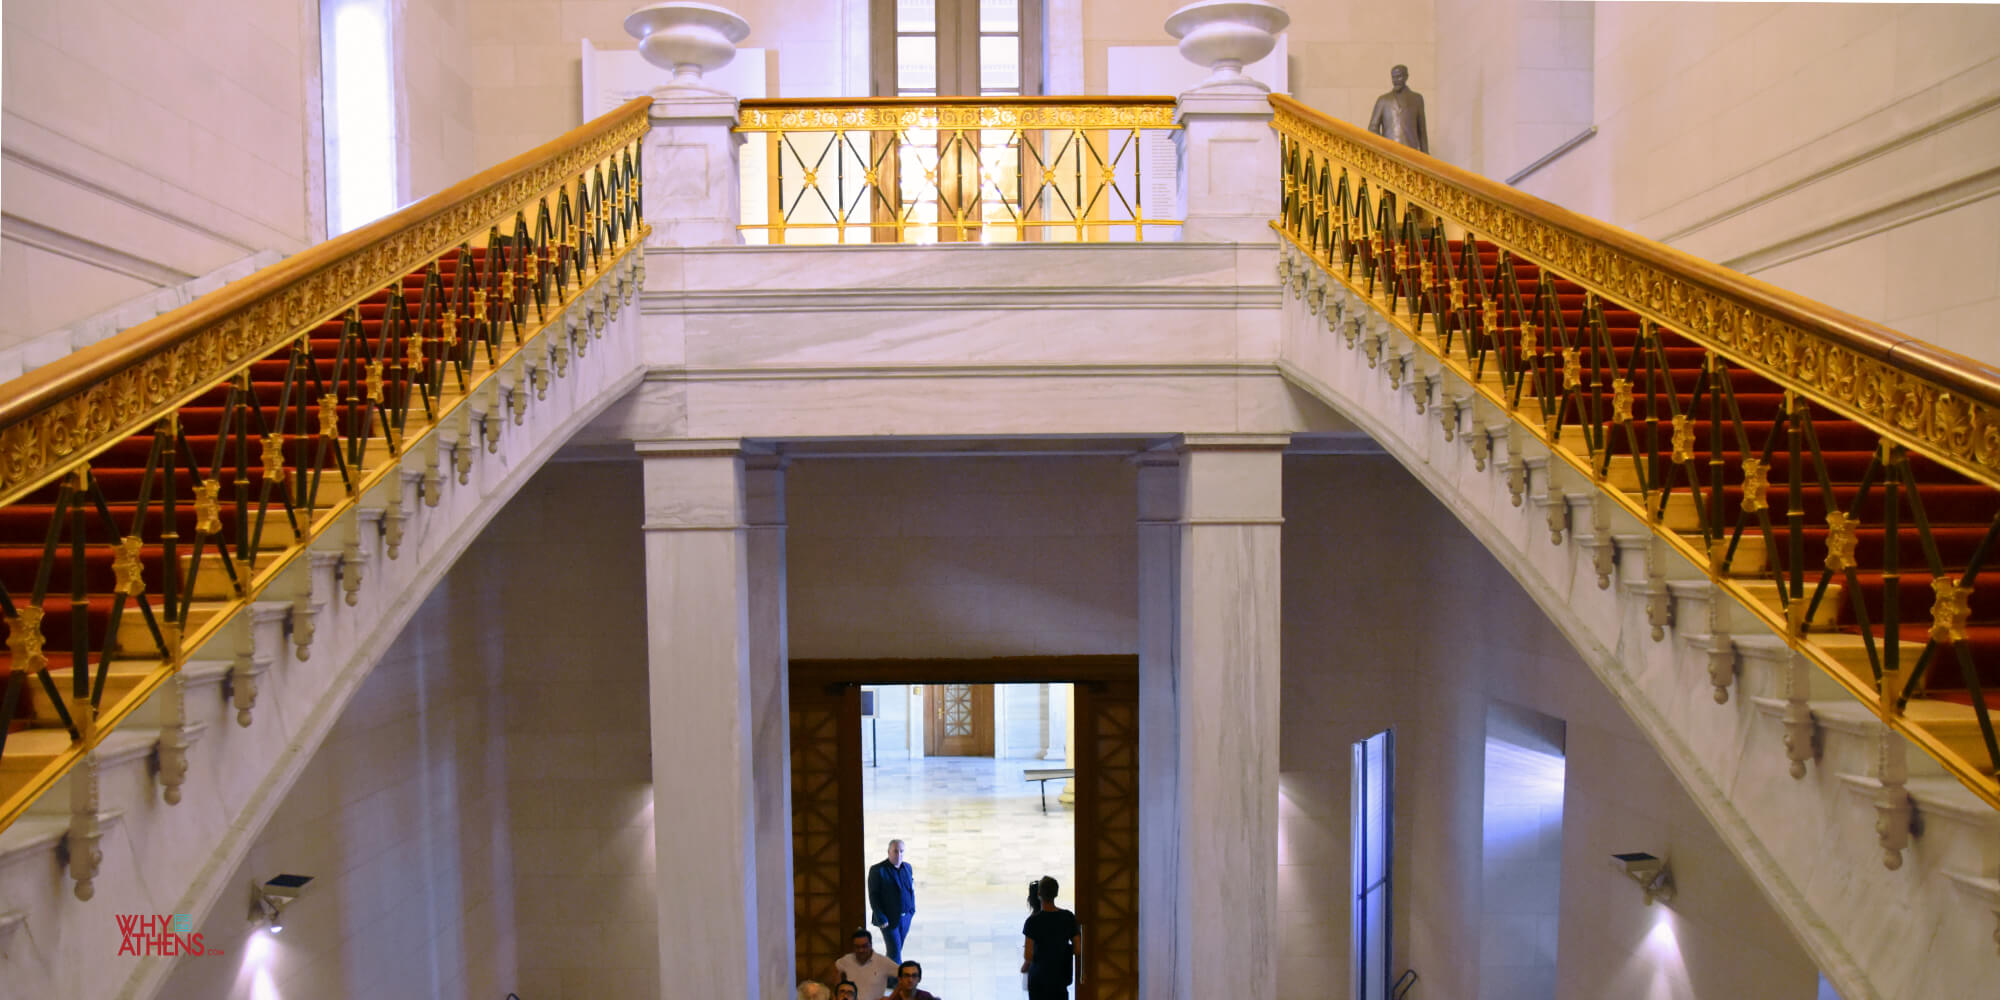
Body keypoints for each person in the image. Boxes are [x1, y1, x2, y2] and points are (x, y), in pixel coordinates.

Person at [1021, 875, 1082, 1000]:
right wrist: (1061, 949)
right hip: (1059, 979)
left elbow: (1028, 955)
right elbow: (1077, 949)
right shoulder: (1068, 917)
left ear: (1039, 894)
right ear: (1056, 893)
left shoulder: (1032, 922)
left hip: (1038, 980)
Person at [867, 839, 917, 961]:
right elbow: (873, 896)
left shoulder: (907, 868)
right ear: (889, 852)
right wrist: (881, 917)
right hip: (888, 920)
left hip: (905, 918)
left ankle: (887, 976)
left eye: (901, 851)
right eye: (895, 851)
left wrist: (912, 910)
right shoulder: (877, 871)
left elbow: (910, 889)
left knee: (896, 951)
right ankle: (897, 979)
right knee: (895, 952)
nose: (899, 854)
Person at [1366, 64, 1429, 154]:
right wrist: (1383, 146)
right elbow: (1373, 128)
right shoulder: (1383, 100)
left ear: (1406, 76)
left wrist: (1425, 154)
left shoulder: (1417, 99)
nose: (1395, 81)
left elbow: (1422, 130)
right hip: (1389, 153)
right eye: (1393, 77)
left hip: (1412, 153)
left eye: (1399, 76)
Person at [825, 927, 899, 999]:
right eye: (857, 947)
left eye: (864, 946)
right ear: (853, 947)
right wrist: (837, 988)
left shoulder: (883, 962)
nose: (861, 950)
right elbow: (834, 968)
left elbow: (904, 975)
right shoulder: (847, 960)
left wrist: (891, 998)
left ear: (871, 945)